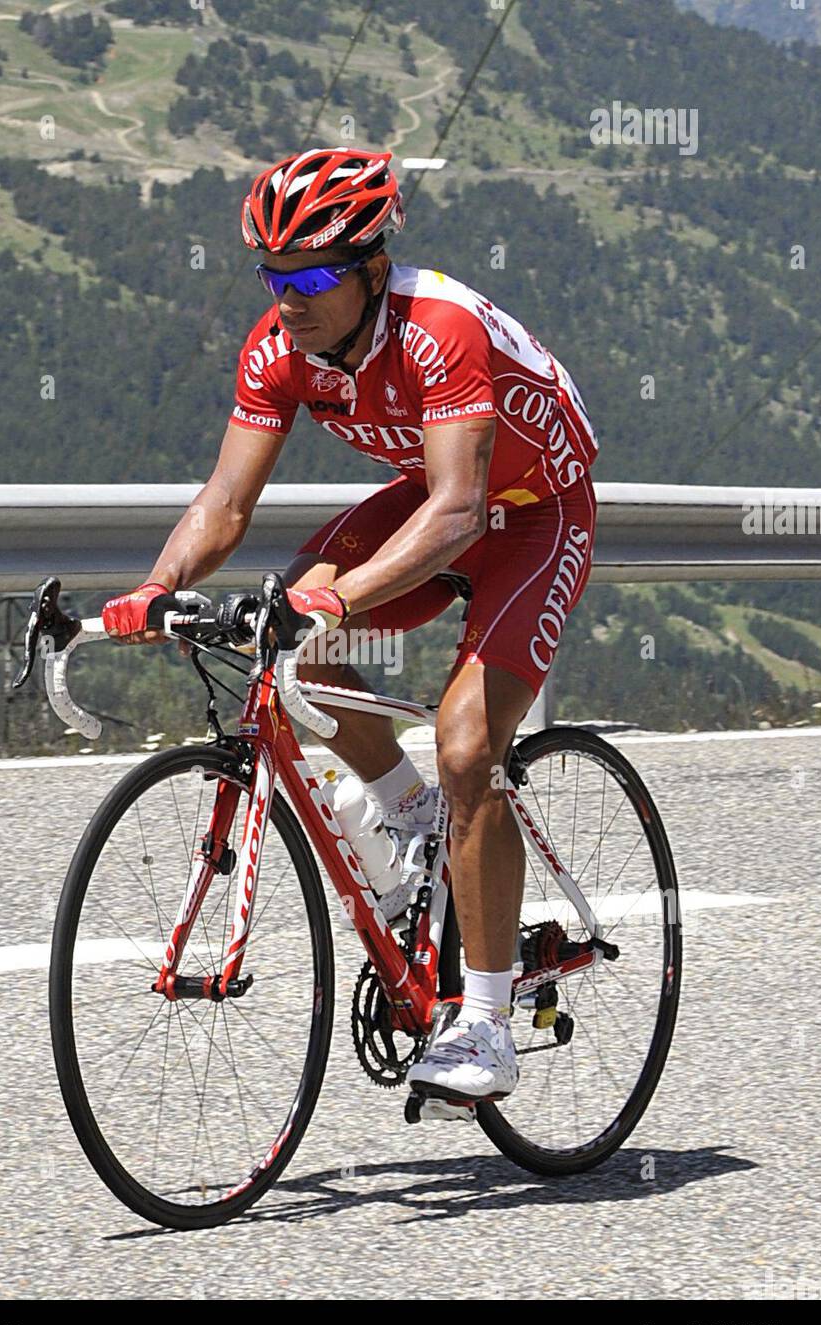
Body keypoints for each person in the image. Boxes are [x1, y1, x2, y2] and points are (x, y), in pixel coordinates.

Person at [102, 147, 599, 1105]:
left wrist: (339, 595)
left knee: (467, 749)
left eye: (315, 278)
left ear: (373, 270)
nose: (291, 298)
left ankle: (488, 1025)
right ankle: (417, 825)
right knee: (286, 632)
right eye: (273, 276)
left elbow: (459, 511)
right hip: (436, 499)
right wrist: (155, 587)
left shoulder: (436, 328)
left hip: (535, 510)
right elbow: (227, 502)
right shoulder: (278, 349)